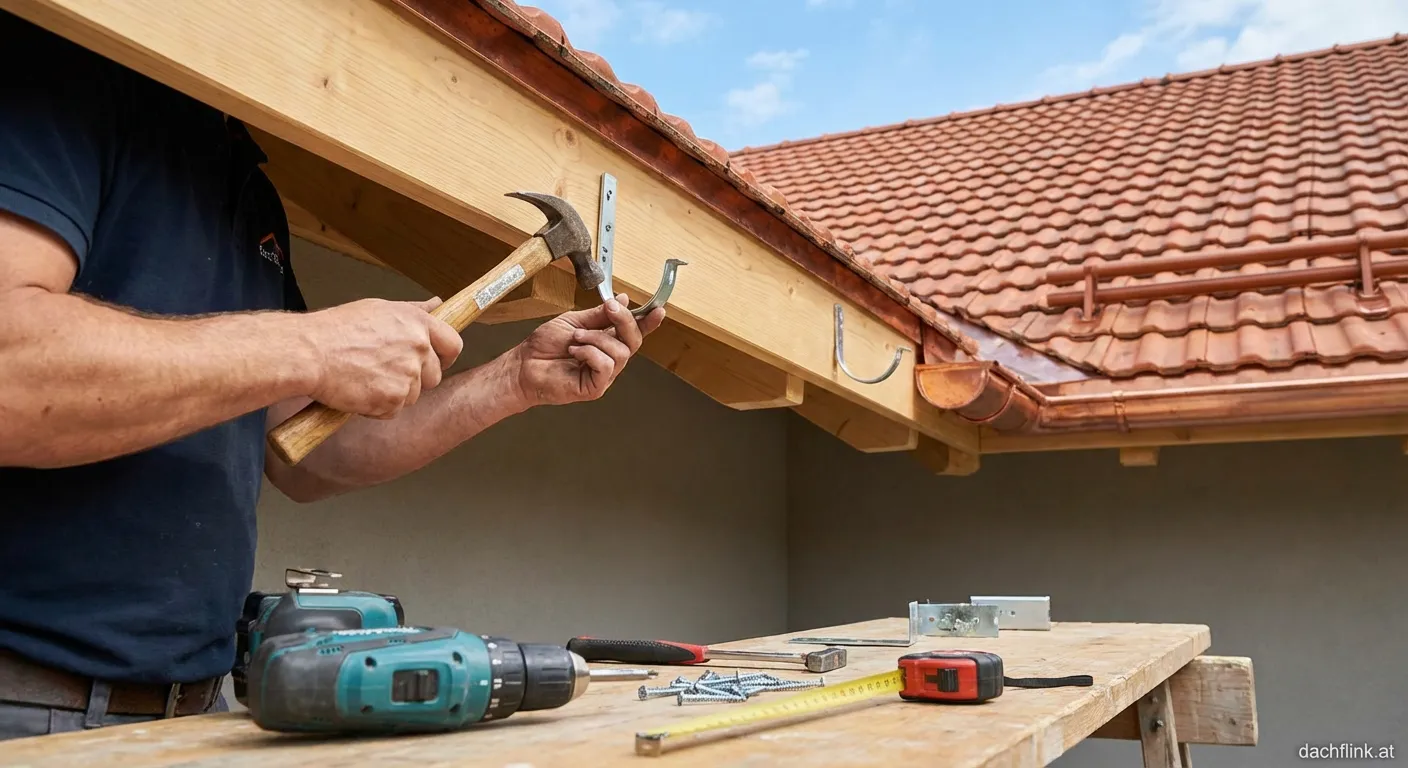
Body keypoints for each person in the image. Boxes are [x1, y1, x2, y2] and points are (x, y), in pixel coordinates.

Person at [0, 11, 663, 740]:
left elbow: (308, 452)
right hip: (24, 697)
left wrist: (513, 381)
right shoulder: (62, 72)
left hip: (196, 701)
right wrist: (311, 345)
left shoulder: (247, 187)